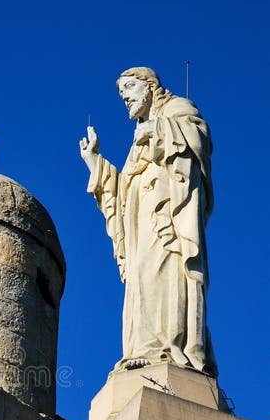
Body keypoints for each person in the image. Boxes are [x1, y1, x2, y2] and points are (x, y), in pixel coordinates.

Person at [79, 67, 216, 374]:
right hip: (140, 223)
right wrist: (94, 162)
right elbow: (123, 192)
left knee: (166, 272)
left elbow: (199, 141)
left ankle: (170, 346)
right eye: (121, 92)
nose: (125, 96)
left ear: (150, 86)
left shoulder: (177, 109)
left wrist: (157, 129)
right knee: (141, 279)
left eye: (129, 87)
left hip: (170, 219)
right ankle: (144, 348)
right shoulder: (137, 141)